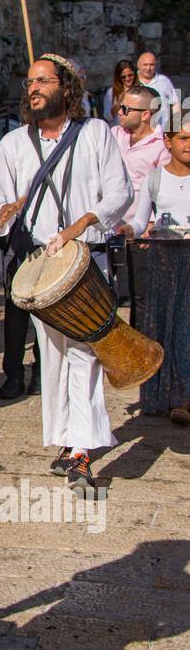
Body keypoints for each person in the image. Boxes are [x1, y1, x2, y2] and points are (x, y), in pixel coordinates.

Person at [0, 53, 133, 492]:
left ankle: (83, 450)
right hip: (41, 268)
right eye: (30, 81)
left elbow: (119, 191)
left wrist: (85, 222)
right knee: (53, 355)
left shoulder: (95, 133)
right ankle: (68, 439)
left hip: (86, 260)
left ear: (66, 88)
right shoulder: (14, 143)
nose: (33, 88)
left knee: (85, 352)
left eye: (43, 81)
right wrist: (4, 212)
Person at [126, 116, 190, 425]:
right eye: (183, 138)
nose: (188, 145)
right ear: (168, 141)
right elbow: (141, 220)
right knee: (161, 328)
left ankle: (184, 398)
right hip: (163, 261)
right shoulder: (154, 178)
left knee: (186, 330)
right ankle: (160, 396)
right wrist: (129, 228)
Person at [111, 85, 168, 322]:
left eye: (125, 108)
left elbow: (163, 191)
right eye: (119, 106)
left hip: (139, 231)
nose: (120, 112)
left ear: (146, 114)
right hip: (107, 227)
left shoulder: (161, 146)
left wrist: (151, 224)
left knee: (139, 295)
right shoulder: (114, 135)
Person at [137, 51, 178, 128]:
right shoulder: (132, 81)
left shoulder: (164, 81)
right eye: (145, 65)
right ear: (138, 65)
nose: (148, 68)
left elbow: (175, 104)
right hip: (139, 131)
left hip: (162, 130)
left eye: (151, 65)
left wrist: (175, 128)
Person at [104, 61, 137, 126]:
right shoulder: (111, 92)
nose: (127, 79)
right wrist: (119, 102)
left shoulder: (141, 89)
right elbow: (108, 117)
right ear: (118, 77)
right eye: (123, 77)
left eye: (130, 75)